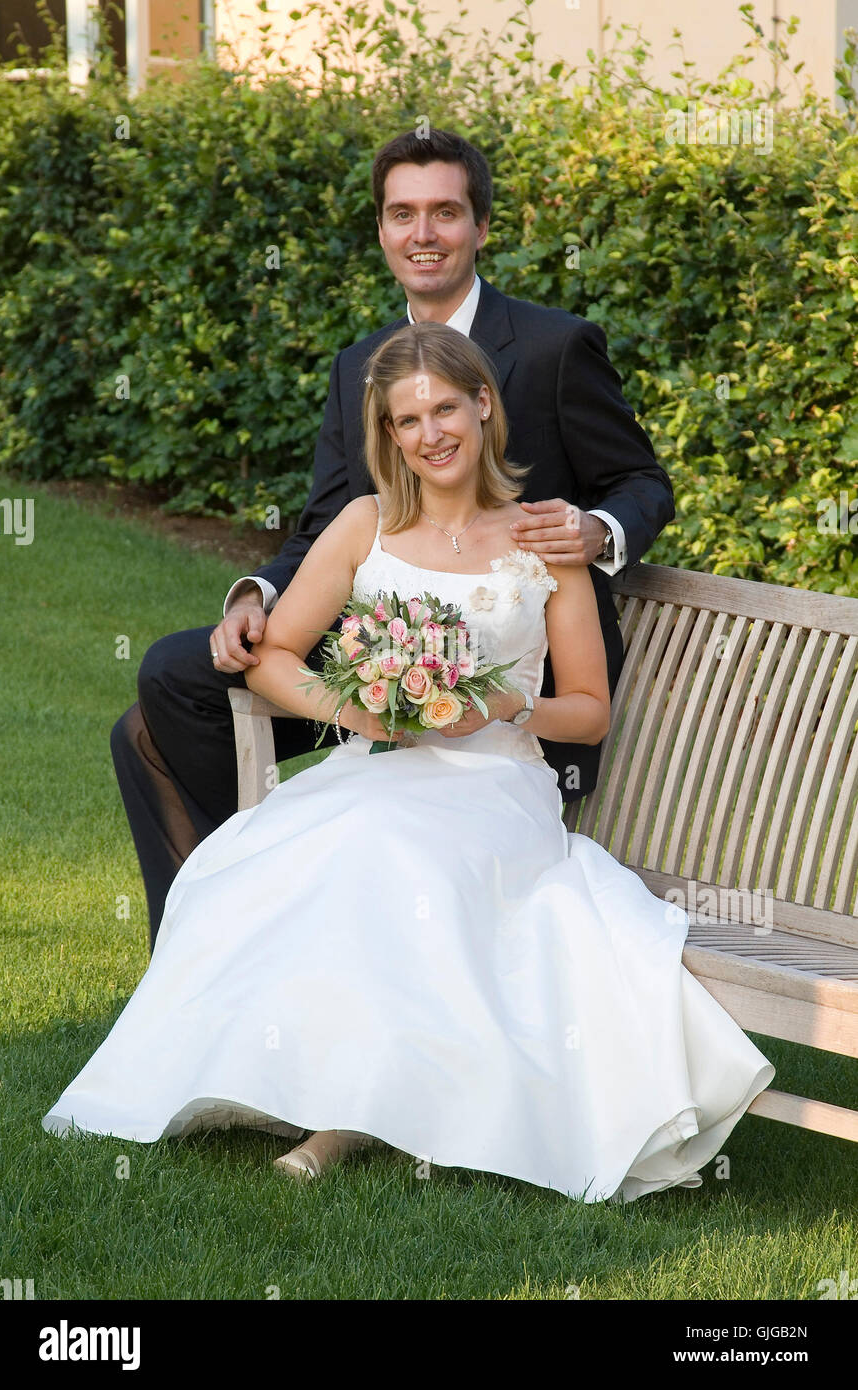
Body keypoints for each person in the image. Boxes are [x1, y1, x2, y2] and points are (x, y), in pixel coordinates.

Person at [44, 324, 774, 1205]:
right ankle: (301, 1078)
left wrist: (504, 704)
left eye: (443, 408)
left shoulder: (541, 540)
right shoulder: (367, 525)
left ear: (483, 405)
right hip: (379, 767)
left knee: (388, 847)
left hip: (498, 780)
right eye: (405, 420)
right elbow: (275, 656)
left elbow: (589, 708)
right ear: (387, 436)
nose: (429, 433)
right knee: (305, 845)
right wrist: (353, 708)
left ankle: (341, 1118)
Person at [110, 127, 675, 953]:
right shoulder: (359, 365)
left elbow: (643, 484)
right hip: (380, 663)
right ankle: (213, 936)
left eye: (444, 212)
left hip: (515, 678)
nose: (422, 234)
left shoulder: (554, 347)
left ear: (480, 226)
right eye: (401, 214)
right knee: (166, 688)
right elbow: (328, 519)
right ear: (380, 229)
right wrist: (258, 598)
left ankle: (238, 924)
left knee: (150, 735)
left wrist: (595, 528)